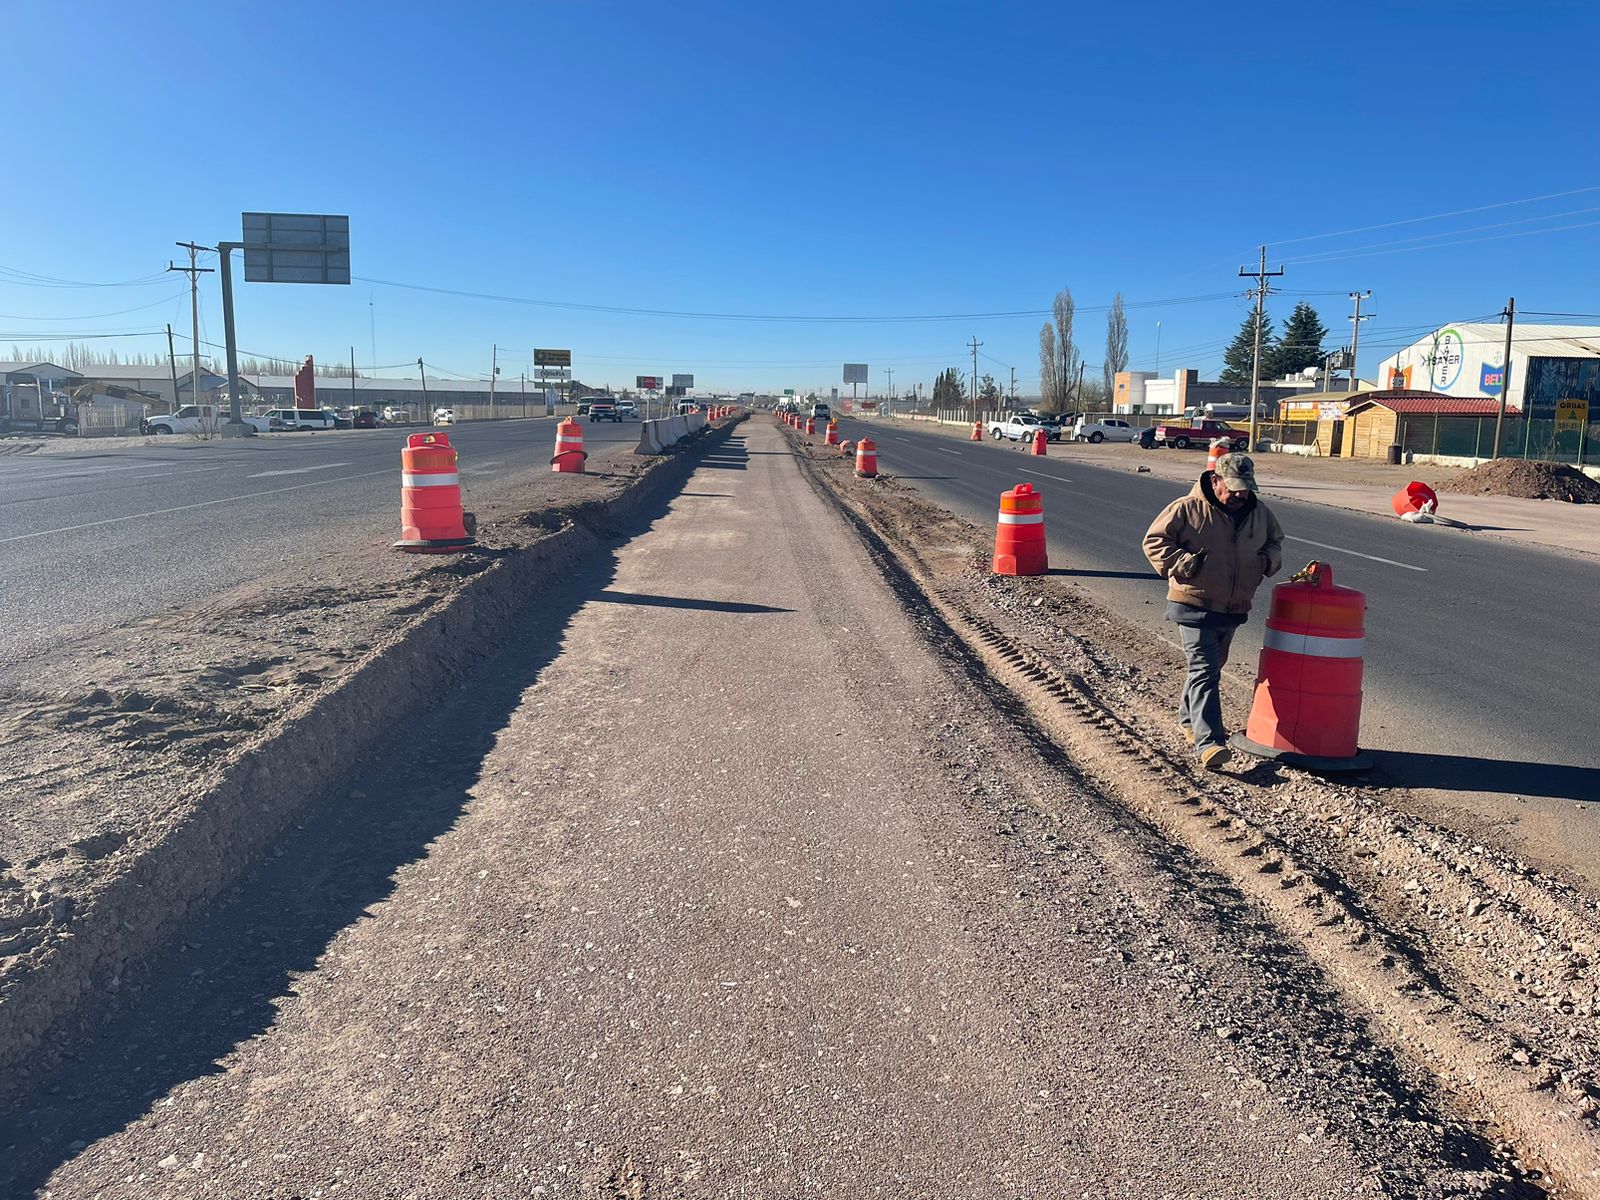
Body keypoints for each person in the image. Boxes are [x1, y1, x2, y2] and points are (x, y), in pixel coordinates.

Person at [1141, 453, 1283, 771]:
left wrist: (1266, 562)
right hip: (1192, 602)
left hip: (1233, 605)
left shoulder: (1259, 513)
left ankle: (1188, 719)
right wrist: (1183, 563)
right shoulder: (1186, 508)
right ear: (1215, 480)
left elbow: (1275, 542)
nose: (1239, 494)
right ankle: (1210, 743)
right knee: (1206, 670)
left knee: (1209, 667)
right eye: (1233, 487)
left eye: (1245, 488)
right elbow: (1154, 541)